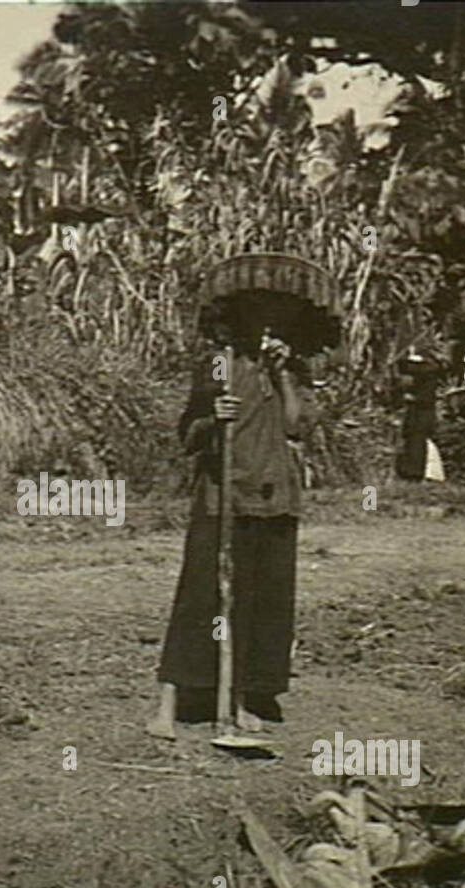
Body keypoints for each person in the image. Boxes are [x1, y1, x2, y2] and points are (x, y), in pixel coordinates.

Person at [146, 291, 314, 739]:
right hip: (223, 496)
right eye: (254, 319)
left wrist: (282, 377)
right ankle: (168, 701)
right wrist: (212, 418)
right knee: (202, 595)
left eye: (269, 321)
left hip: (274, 495)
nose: (263, 329)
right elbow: (188, 431)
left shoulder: (285, 370)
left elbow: (295, 425)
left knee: (258, 601)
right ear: (232, 323)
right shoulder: (219, 363)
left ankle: (240, 696)